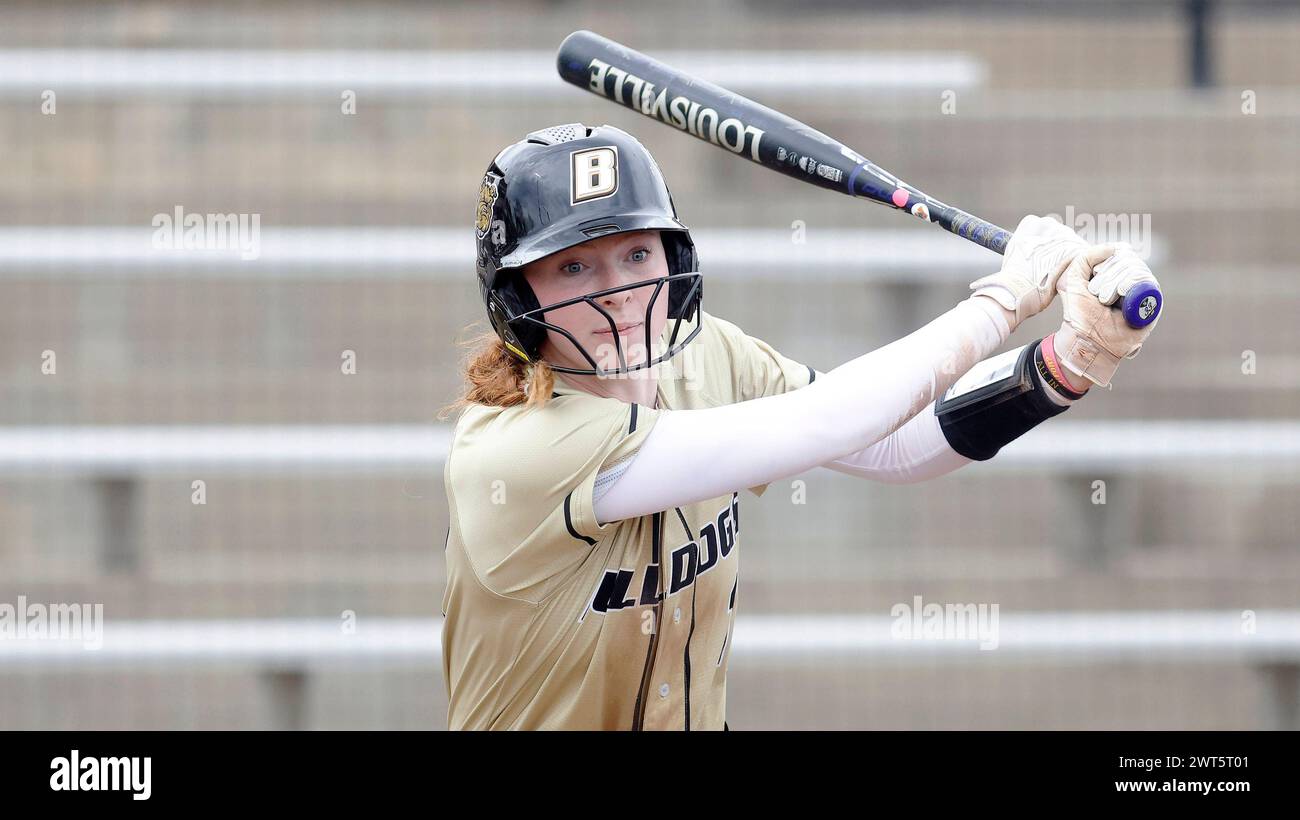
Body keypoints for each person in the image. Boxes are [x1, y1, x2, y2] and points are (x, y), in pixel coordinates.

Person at [439, 123, 1161, 730]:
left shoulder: (706, 356)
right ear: (515, 294)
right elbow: (830, 420)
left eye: (635, 254)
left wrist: (1072, 356)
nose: (621, 292)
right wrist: (1004, 298)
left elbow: (896, 445)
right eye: (574, 268)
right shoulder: (518, 448)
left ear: (673, 255)